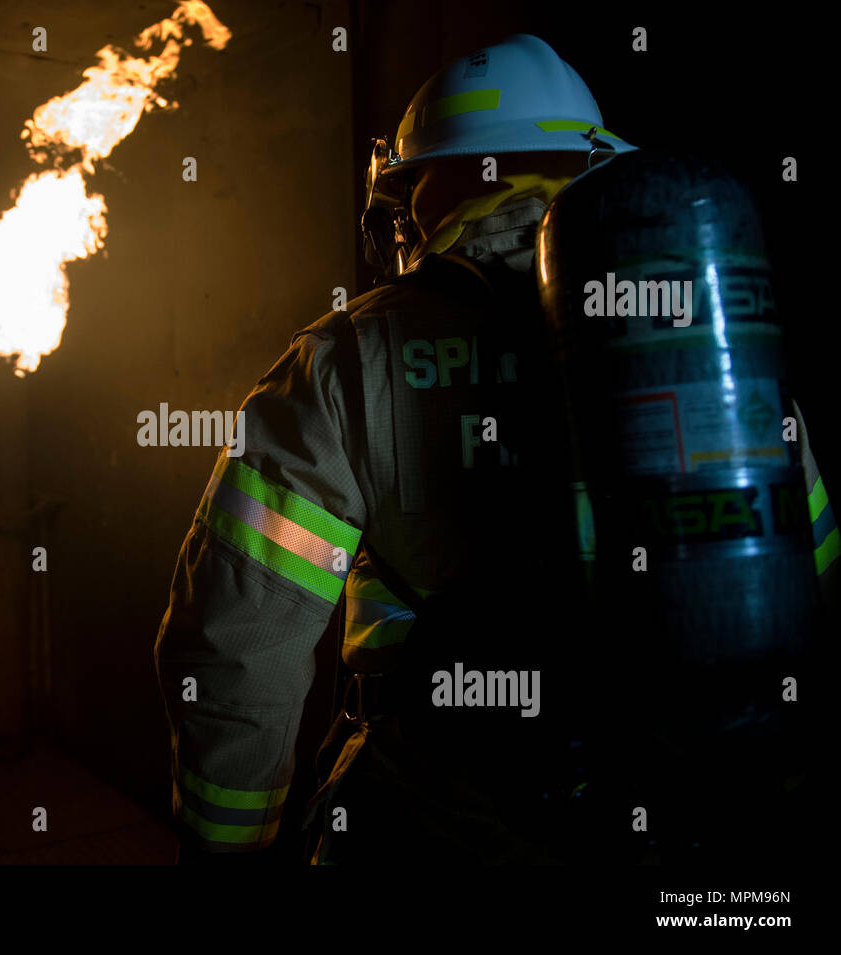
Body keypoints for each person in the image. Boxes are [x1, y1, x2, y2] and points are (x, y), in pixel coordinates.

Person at [154, 34, 642, 864]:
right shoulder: (689, 327)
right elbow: (806, 567)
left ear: (423, 193)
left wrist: (224, 847)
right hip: (655, 809)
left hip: (432, 813)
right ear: (587, 167)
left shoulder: (345, 357)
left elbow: (237, 644)